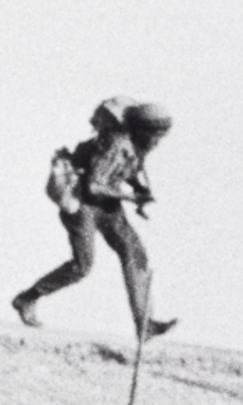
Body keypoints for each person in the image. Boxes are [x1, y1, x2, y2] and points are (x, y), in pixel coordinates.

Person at [12, 99, 177, 341]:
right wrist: (131, 197)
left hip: (107, 204)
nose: (158, 142)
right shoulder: (116, 143)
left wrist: (138, 188)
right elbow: (93, 186)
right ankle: (27, 298)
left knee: (135, 253)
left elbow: (126, 171)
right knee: (82, 266)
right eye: (156, 135)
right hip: (82, 203)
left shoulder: (138, 147)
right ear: (142, 130)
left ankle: (144, 323)